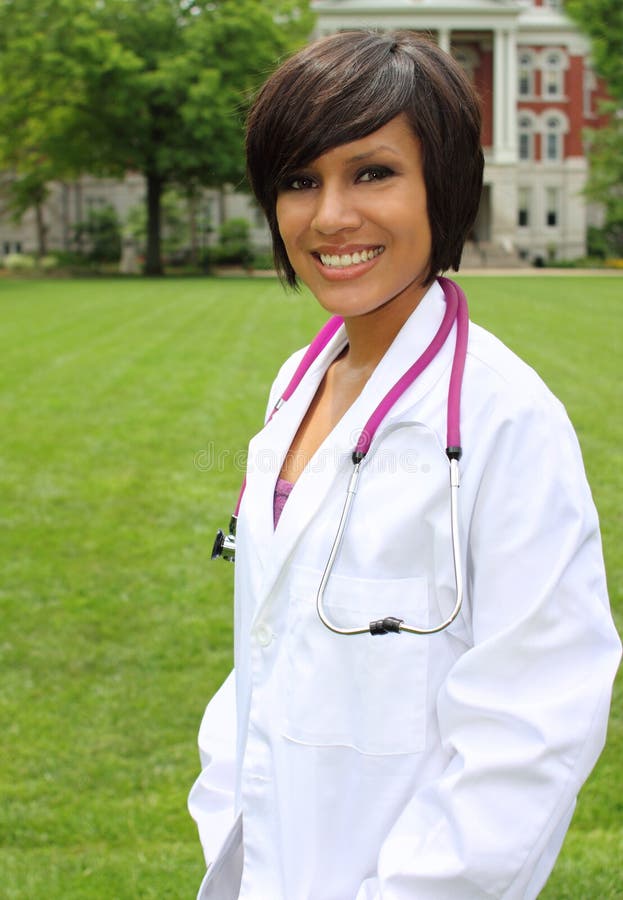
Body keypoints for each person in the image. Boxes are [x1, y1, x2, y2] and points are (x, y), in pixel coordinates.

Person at [188, 30, 621, 900]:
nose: (330, 216)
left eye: (372, 172)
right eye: (299, 180)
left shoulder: (505, 420)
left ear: (443, 184)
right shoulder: (296, 384)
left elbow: (529, 729)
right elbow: (270, 643)